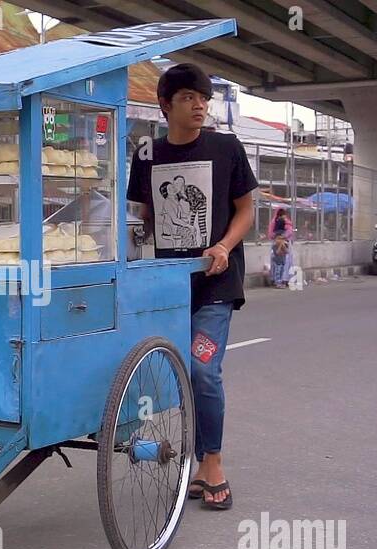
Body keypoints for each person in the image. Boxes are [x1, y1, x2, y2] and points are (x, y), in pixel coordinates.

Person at [127, 63, 258, 510]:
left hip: (215, 286)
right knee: (163, 370)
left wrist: (223, 245)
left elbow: (246, 210)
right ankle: (186, 459)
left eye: (203, 97)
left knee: (203, 369)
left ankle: (213, 461)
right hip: (165, 287)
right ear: (166, 106)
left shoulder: (226, 148)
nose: (199, 104)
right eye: (188, 97)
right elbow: (144, 217)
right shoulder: (147, 155)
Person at [267, 207, 294, 288]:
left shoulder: (277, 222)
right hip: (281, 244)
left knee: (279, 263)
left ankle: (279, 279)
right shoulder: (282, 222)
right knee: (280, 263)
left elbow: (271, 234)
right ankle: (280, 280)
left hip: (279, 243)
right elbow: (289, 232)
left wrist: (279, 237)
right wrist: (282, 237)